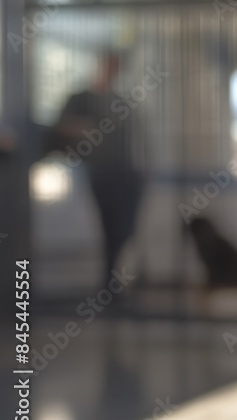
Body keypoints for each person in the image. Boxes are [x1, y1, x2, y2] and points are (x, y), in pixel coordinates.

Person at [51, 52, 145, 283]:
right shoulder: (80, 98)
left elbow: (134, 138)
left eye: (116, 68)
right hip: (96, 171)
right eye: (109, 66)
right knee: (104, 228)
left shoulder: (120, 102)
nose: (111, 72)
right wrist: (81, 128)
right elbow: (59, 126)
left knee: (123, 228)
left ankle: (112, 282)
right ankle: (107, 284)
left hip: (125, 172)